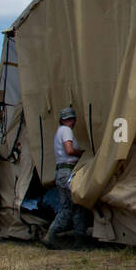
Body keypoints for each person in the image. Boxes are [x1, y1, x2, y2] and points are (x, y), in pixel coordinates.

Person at [42, 107, 92, 250]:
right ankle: (79, 241)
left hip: (61, 172)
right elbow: (69, 150)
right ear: (65, 120)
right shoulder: (66, 131)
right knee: (78, 205)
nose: (72, 122)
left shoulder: (60, 131)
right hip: (68, 171)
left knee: (66, 207)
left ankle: (50, 235)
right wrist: (82, 153)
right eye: (70, 119)